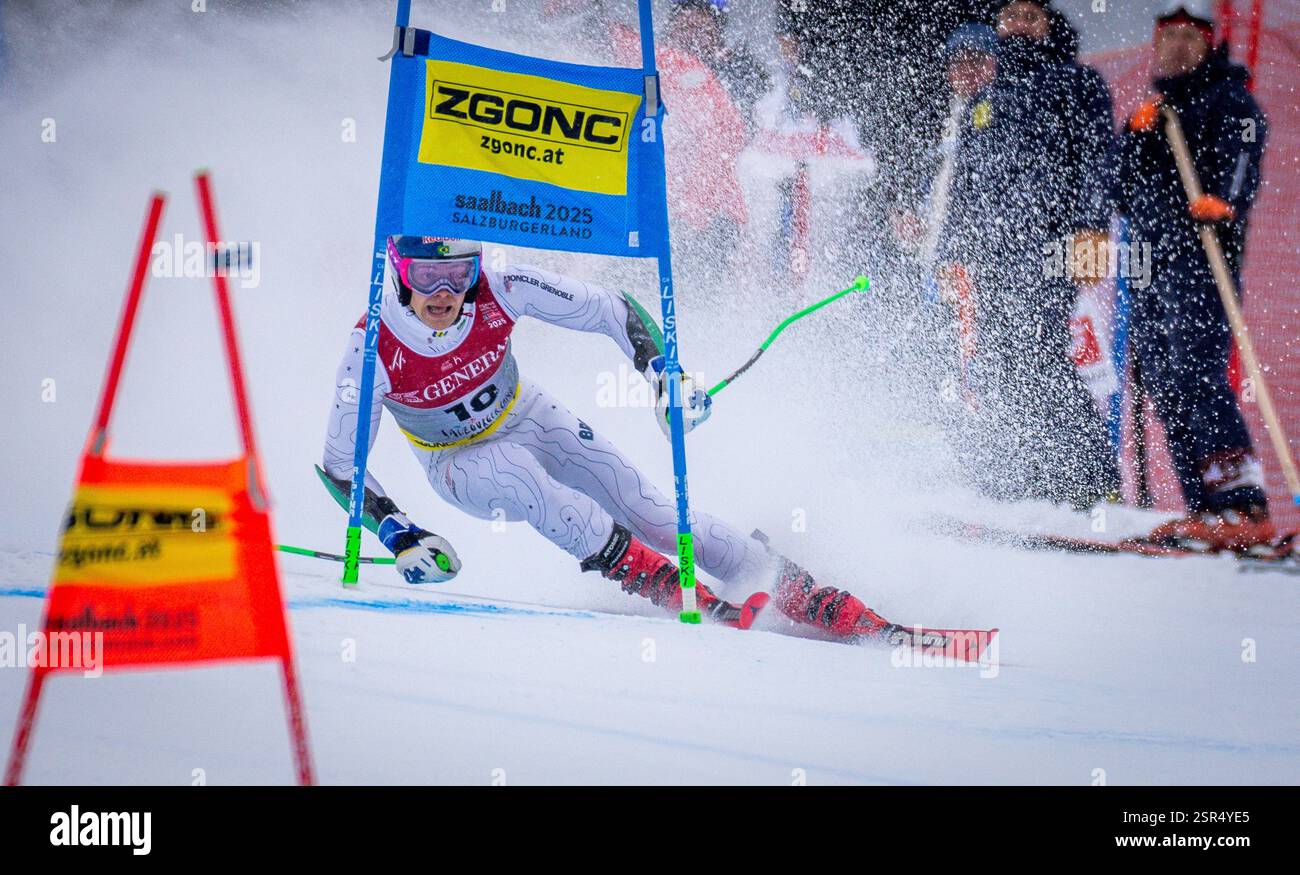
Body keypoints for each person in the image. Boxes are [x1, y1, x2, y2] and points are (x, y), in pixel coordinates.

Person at [320, 235, 899, 641]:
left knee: (651, 511)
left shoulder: (501, 286)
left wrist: (661, 377)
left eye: (458, 273)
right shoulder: (371, 345)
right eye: (426, 274)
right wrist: (401, 534)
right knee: (523, 477)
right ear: (399, 271)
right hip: (455, 460)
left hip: (524, 411)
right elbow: (339, 464)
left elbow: (611, 310)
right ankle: (659, 581)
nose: (443, 291)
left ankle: (793, 587)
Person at [932, 1, 1119, 509]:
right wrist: (951, 254)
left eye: (1029, 16)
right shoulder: (984, 101)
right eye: (1009, 16)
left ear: (1048, 25)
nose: (1017, 25)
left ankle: (1092, 475)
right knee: (997, 359)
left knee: (1039, 351)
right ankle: (1019, 472)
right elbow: (965, 189)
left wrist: (1091, 227)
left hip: (1052, 246)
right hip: (993, 254)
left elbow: (1098, 158)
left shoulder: (1077, 84)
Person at [1113, 1, 1274, 552]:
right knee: (1165, 380)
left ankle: (1244, 504)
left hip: (1202, 258)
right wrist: (1136, 137)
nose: (1177, 46)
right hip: (1152, 265)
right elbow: (1120, 190)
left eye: (1188, 36)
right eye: (1168, 37)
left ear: (1206, 42)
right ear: (1156, 45)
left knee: (1199, 371)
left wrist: (1222, 201)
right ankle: (1204, 508)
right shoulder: (1156, 110)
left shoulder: (1229, 97)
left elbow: (1245, 151)